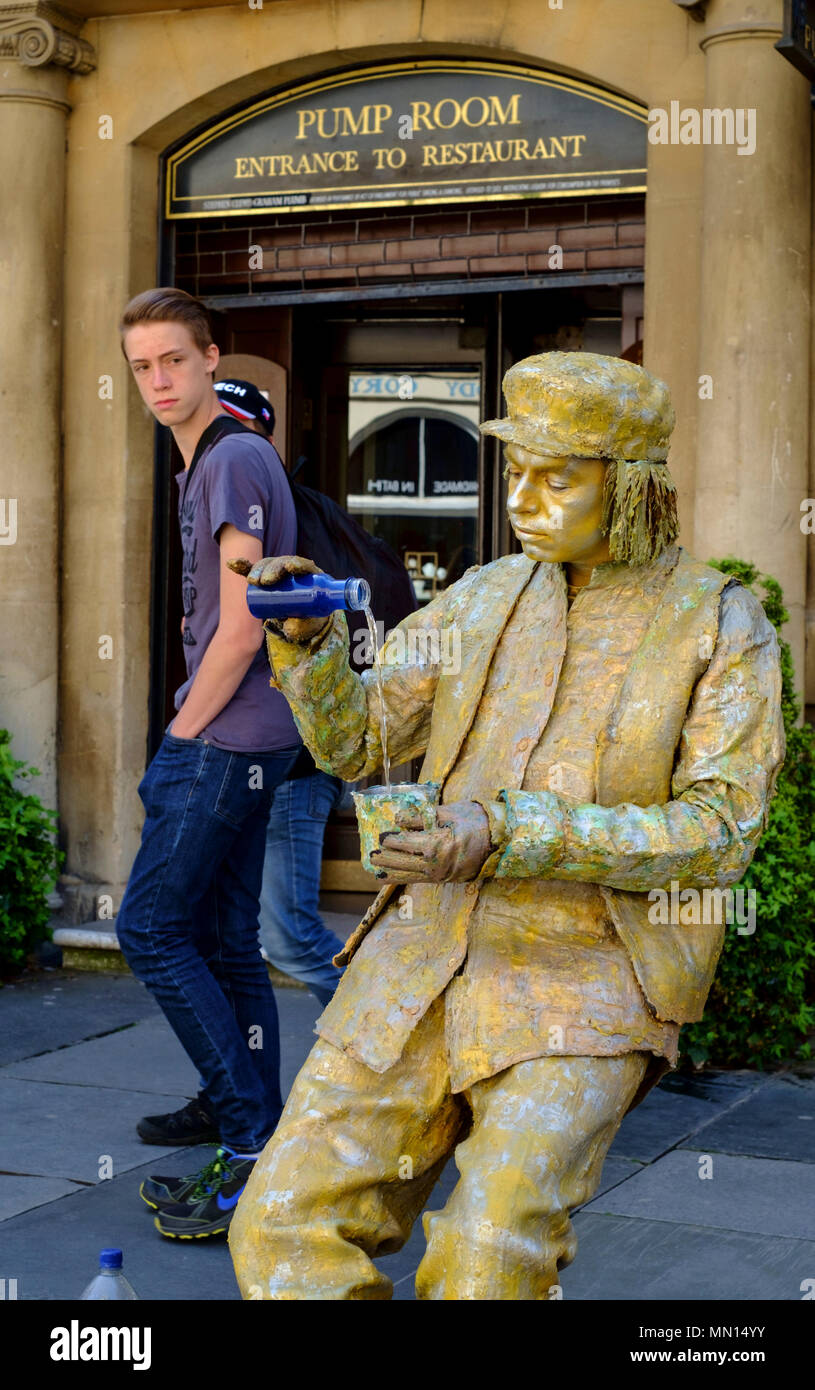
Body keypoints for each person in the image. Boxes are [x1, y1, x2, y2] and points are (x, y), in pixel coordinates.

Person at [227, 352, 785, 1299]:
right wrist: (305, 641)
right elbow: (357, 742)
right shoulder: (483, 595)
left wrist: (509, 830)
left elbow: (722, 827)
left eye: (555, 478)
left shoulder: (717, 621)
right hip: (417, 961)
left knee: (487, 1254)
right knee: (280, 1228)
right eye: (513, 472)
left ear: (634, 486)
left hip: (587, 976)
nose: (523, 498)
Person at [115, 288, 304, 1239]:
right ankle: (249, 1120)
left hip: (227, 739)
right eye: (142, 365)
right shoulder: (221, 459)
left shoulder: (230, 460)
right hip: (257, 739)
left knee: (148, 926)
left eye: (173, 362)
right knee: (226, 943)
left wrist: (177, 740)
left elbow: (238, 633)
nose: (158, 381)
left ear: (210, 360)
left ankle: (245, 1139)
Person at [214, 377, 345, 1005]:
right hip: (253, 759)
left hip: (293, 761)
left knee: (288, 936)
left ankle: (381, 1053)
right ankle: (237, 1097)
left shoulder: (286, 511)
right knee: (232, 934)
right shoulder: (223, 502)